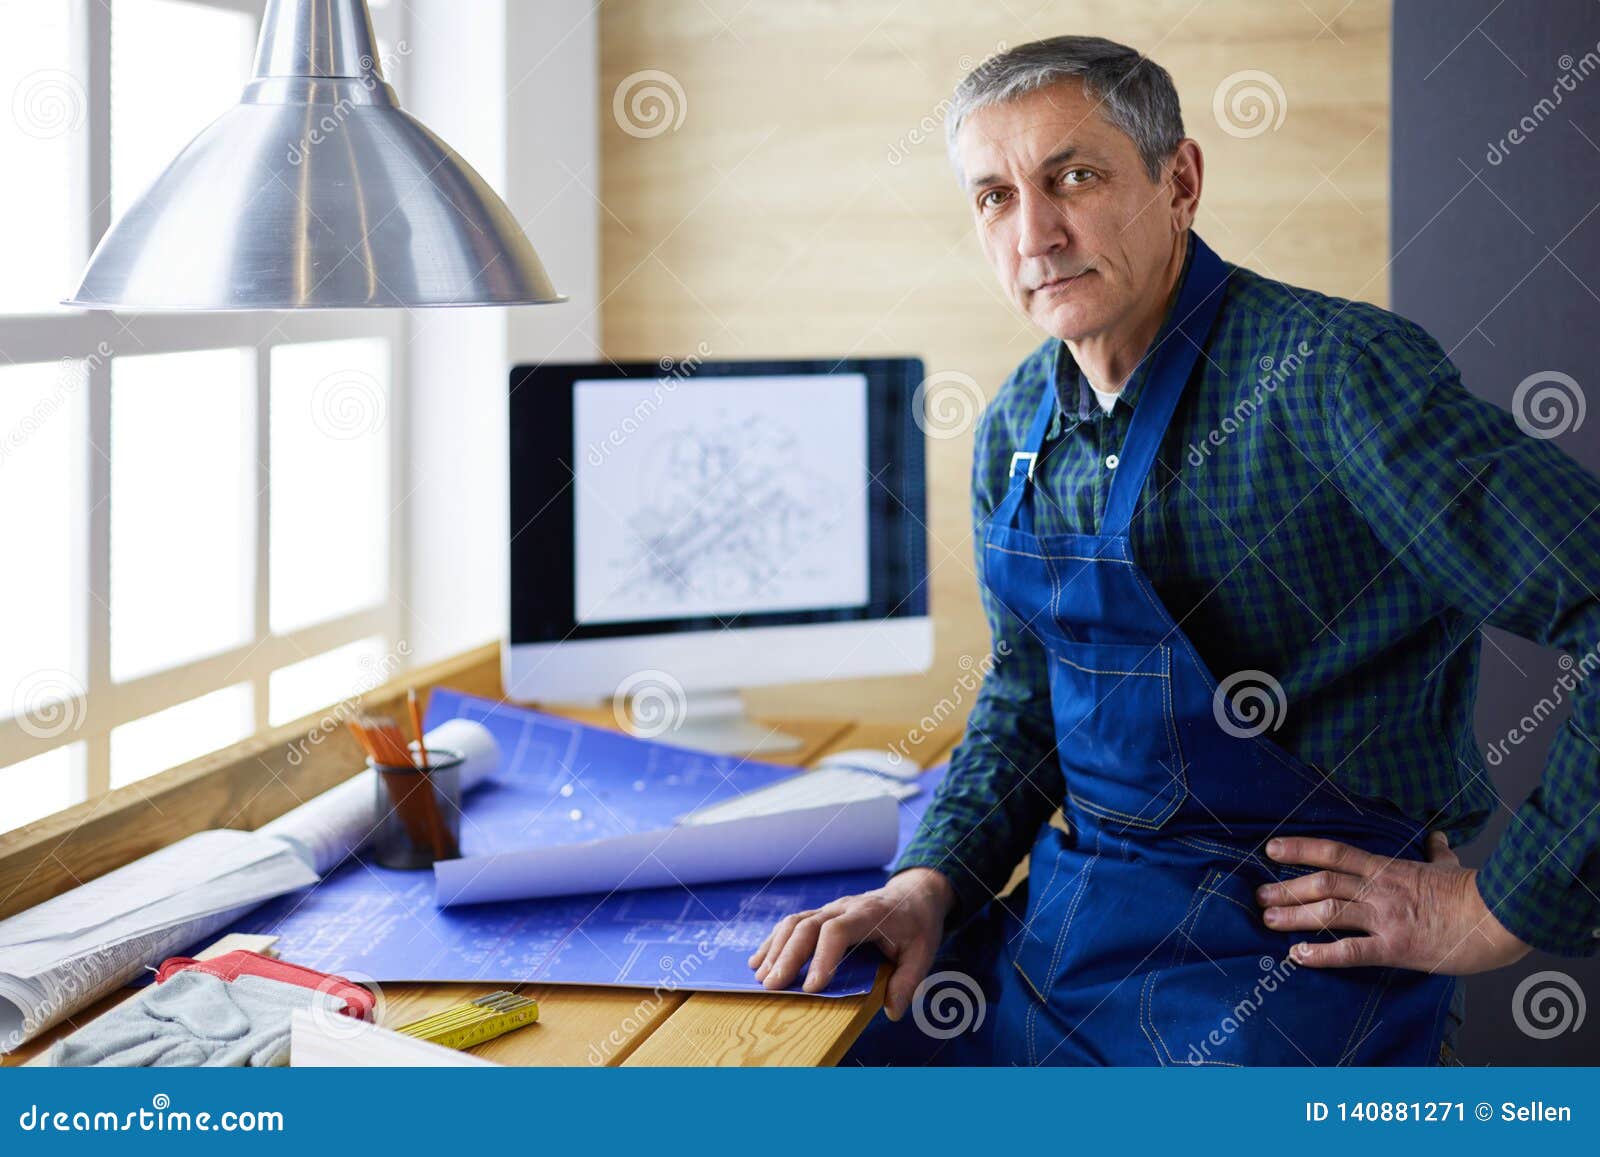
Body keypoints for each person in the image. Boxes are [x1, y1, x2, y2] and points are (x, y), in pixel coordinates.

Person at [748, 34, 1600, 1066]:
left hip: (1288, 967)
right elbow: (1025, 706)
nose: (1036, 235)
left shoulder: (1337, 379)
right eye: (994, 198)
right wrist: (927, 881)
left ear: (1179, 180)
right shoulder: (1016, 420)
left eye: (1073, 176)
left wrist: (1500, 906)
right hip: (1071, 933)